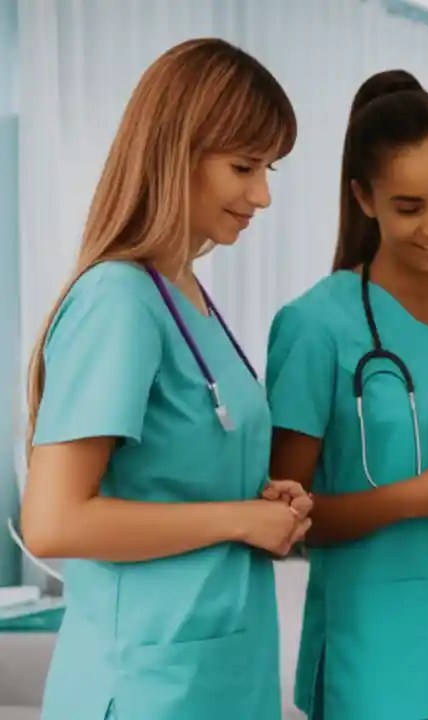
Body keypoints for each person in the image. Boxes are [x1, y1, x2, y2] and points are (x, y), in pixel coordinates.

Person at [19, 38, 307, 720]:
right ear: (178, 150)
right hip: (149, 684)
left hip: (218, 672)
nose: (262, 195)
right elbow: (54, 521)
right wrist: (241, 519)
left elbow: (174, 474)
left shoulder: (185, 295)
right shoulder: (119, 300)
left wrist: (265, 500)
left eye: (268, 169)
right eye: (244, 166)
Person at [266, 69, 428, 720]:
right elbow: (281, 520)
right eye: (410, 207)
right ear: (364, 198)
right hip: (367, 652)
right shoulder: (315, 326)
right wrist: (414, 499)